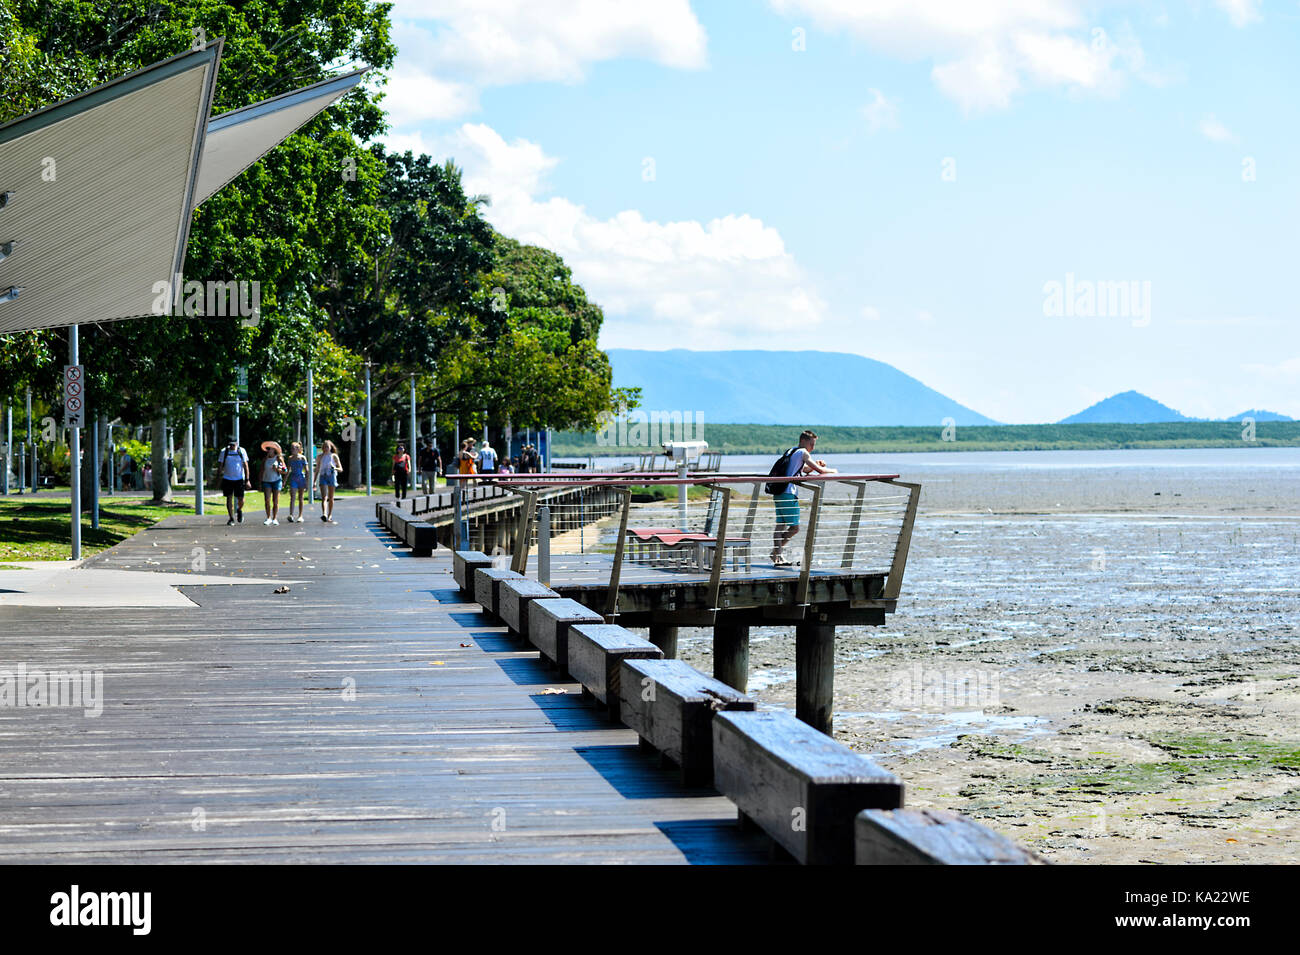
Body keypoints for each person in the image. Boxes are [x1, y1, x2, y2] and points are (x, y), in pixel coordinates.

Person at [766, 430, 836, 566]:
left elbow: (804, 469)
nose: (813, 447)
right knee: (794, 528)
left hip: (779, 492)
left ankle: (777, 556)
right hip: (788, 493)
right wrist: (833, 471)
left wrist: (817, 465)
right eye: (812, 444)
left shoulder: (791, 451)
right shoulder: (803, 452)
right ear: (803, 441)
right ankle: (776, 553)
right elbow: (820, 471)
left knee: (780, 526)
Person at [217, 436, 251, 525]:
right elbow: (220, 465)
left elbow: (246, 466)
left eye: (233, 445)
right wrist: (219, 477)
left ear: (236, 444)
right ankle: (231, 518)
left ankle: (239, 510)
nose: (231, 447)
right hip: (227, 478)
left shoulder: (241, 451)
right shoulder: (224, 452)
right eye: (230, 445)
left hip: (239, 478)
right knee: (229, 498)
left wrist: (247, 480)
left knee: (241, 499)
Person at [260, 443, 287, 525]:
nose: (269, 450)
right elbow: (261, 471)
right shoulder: (265, 459)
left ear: (274, 450)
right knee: (267, 500)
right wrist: (260, 481)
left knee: (275, 501)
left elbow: (285, 470)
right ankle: (268, 517)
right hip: (266, 480)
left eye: (270, 449)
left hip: (276, 480)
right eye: (268, 449)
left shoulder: (278, 458)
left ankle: (275, 518)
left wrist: (277, 469)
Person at [315, 439, 343, 522]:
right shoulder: (320, 456)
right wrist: (314, 481)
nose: (325, 448)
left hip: (331, 476)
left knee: (331, 497)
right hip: (323, 476)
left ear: (330, 448)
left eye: (327, 447)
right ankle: (324, 513)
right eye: (324, 447)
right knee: (324, 497)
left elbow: (340, 469)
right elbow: (317, 469)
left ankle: (330, 515)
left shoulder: (334, 456)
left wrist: (334, 468)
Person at [285, 442, 309, 522]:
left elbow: (307, 470)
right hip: (293, 478)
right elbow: (288, 470)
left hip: (301, 478)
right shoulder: (290, 458)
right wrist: (284, 481)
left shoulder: (302, 458)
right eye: (291, 448)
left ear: (298, 449)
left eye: (294, 448)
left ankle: (300, 516)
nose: (292, 450)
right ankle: (291, 514)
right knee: (292, 497)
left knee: (300, 497)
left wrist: (307, 482)